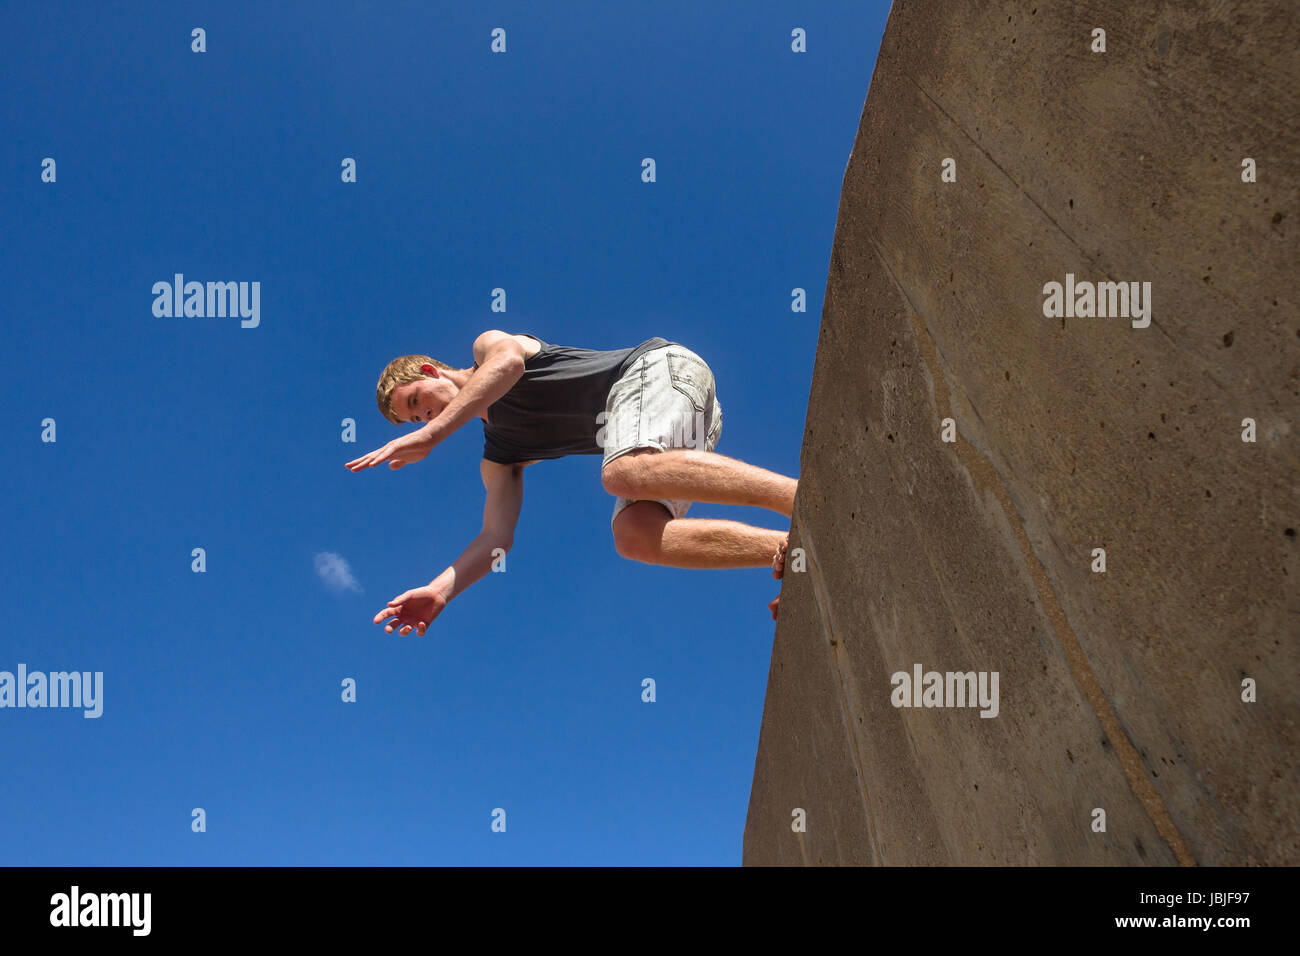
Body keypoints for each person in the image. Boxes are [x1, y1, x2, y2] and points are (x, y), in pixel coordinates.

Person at [345, 330, 796, 635]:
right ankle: (789, 548)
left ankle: (800, 499)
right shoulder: (500, 457)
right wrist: (441, 589)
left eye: (417, 403)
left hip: (660, 369)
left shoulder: (488, 348)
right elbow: (496, 537)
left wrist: (432, 435)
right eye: (415, 419)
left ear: (429, 371)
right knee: (634, 535)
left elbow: (509, 365)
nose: (424, 417)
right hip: (684, 422)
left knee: (622, 473)